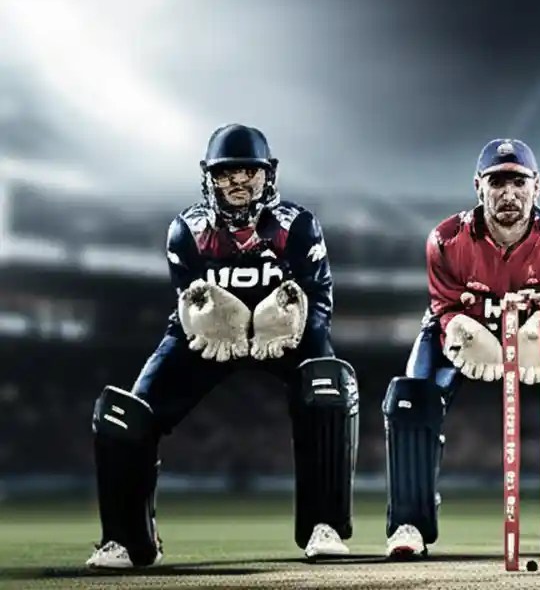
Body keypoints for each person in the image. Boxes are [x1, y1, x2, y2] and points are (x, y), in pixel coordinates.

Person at [85, 124, 358, 569]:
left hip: (283, 335)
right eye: (226, 172)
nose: (236, 182)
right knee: (126, 415)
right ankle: (125, 540)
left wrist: (295, 324)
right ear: (208, 176)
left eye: (247, 171)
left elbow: (321, 301)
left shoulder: (299, 226)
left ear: (268, 174)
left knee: (327, 385)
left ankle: (322, 525)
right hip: (209, 336)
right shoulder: (186, 232)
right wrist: (208, 323)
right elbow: (187, 301)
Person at [381, 138, 540, 557]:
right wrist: (463, 330)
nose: (508, 194)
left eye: (518, 182)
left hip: (539, 333)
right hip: (467, 330)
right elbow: (444, 306)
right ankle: (409, 523)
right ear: (478, 186)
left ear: (536, 186)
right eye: (497, 182)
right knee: (410, 398)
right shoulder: (446, 240)